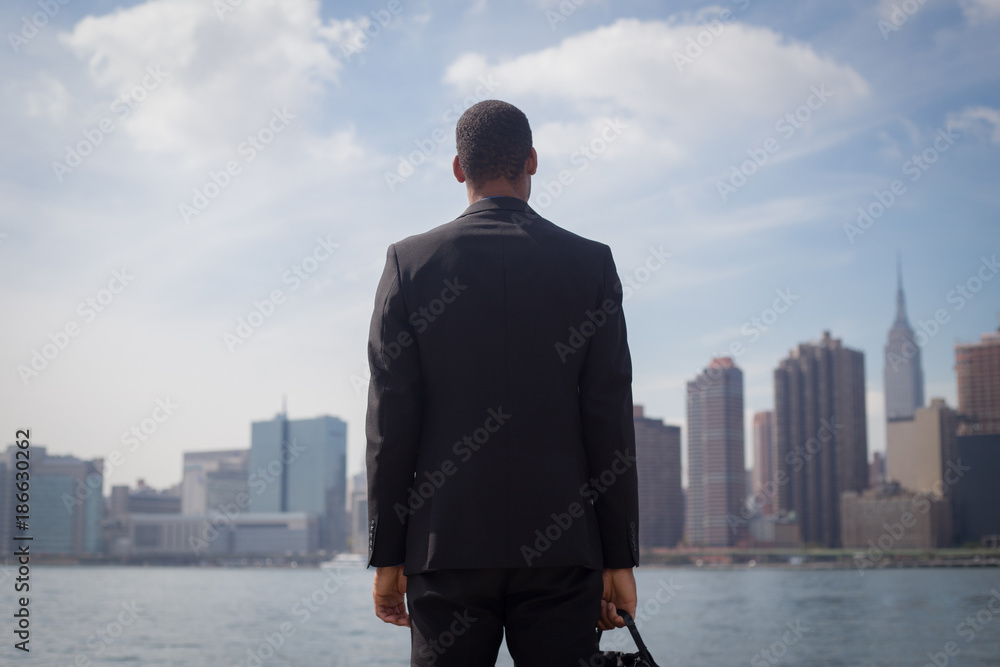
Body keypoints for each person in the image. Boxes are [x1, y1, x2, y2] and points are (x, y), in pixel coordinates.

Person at [365, 99, 639, 666]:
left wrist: (387, 555)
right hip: (564, 551)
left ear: (458, 168)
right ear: (532, 160)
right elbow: (608, 419)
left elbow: (392, 424)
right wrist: (618, 558)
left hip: (446, 549)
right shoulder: (592, 264)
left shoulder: (409, 265)